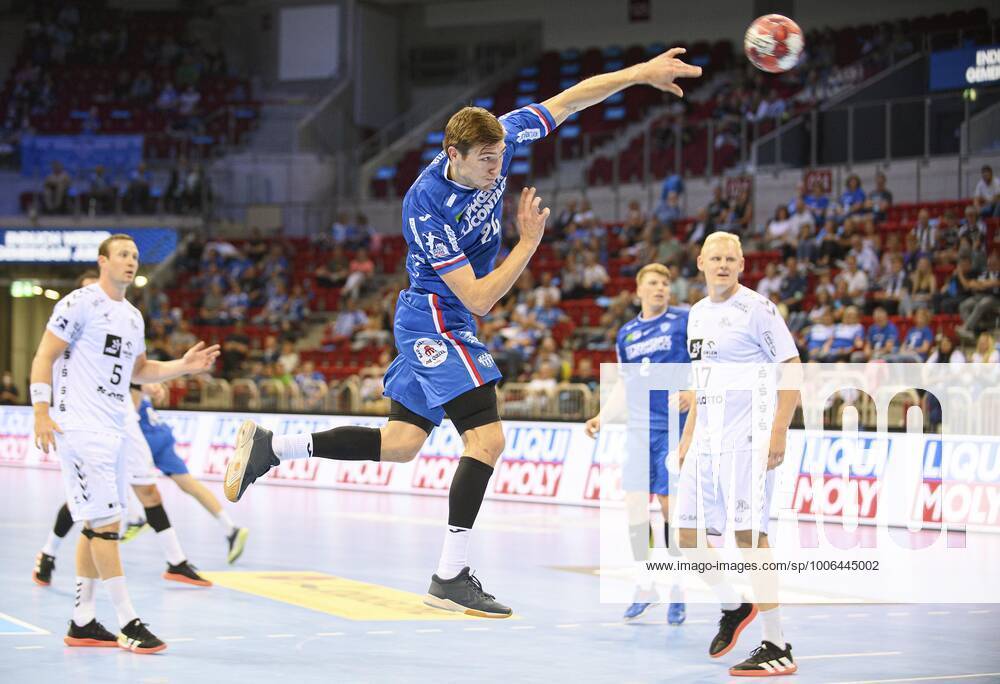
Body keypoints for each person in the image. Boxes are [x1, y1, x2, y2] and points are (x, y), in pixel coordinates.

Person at [222, 48, 702, 618]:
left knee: (401, 446)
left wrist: (640, 74)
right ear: (454, 154)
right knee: (488, 440)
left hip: (444, 316)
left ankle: (273, 448)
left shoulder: (497, 138)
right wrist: (527, 243)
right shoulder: (426, 204)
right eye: (485, 162)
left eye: (502, 156)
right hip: (436, 316)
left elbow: (571, 100)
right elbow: (479, 296)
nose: (497, 168)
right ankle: (450, 575)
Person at [30, 235, 219, 652]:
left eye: (135, 256)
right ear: (103, 262)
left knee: (96, 524)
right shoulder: (78, 303)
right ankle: (128, 621)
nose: (131, 262)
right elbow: (44, 356)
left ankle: (82, 622)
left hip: (115, 429)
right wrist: (41, 411)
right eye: (123, 255)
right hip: (78, 429)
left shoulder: (133, 317)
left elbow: (141, 370)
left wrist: (182, 367)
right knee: (107, 525)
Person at [676, 231, 802, 676]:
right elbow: (701, 378)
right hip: (705, 444)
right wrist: (689, 435)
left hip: (747, 440)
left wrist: (779, 432)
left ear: (743, 264)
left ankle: (777, 643)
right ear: (701, 262)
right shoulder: (695, 314)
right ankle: (734, 605)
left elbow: (791, 367)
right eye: (716, 258)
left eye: (731, 258)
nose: (723, 265)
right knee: (685, 541)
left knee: (751, 539)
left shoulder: (758, 310)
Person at [584, 263, 691, 625]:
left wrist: (695, 392)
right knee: (635, 508)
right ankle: (645, 583)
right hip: (639, 428)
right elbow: (624, 385)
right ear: (638, 291)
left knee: (669, 509)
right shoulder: (627, 334)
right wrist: (602, 416)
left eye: (665, 283)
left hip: (674, 429)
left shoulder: (685, 322)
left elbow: (705, 366)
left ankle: (678, 586)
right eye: (654, 283)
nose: (661, 288)